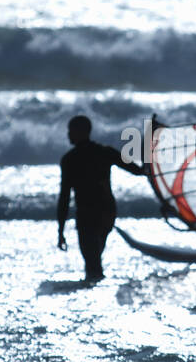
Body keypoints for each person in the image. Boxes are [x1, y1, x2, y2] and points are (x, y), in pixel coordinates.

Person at [56, 115, 146, 281]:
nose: (68, 135)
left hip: (87, 215)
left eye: (71, 131)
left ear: (82, 131)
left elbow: (64, 197)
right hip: (107, 212)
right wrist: (150, 151)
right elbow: (138, 170)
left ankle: (94, 291)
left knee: (92, 263)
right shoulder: (105, 152)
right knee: (94, 257)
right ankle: (96, 284)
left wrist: (60, 230)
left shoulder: (69, 160)